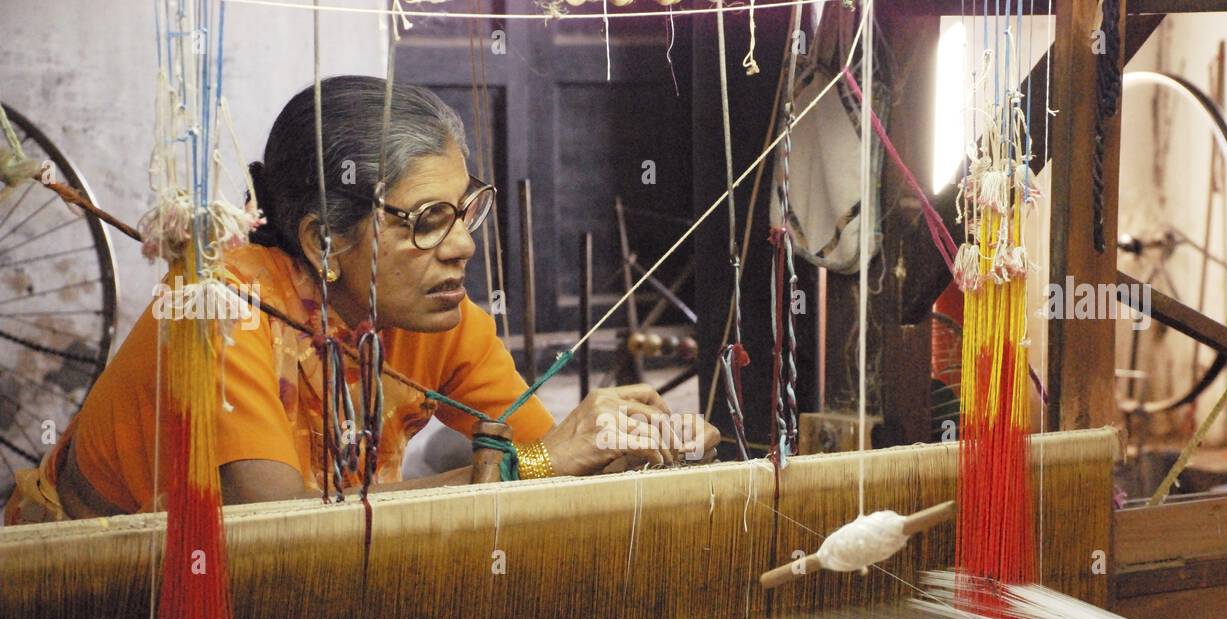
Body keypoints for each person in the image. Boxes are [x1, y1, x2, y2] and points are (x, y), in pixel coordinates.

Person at [4, 77, 717, 524]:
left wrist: (635, 451)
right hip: (96, 593)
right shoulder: (216, 307)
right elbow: (280, 530)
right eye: (427, 220)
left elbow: (545, 459)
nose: (463, 246)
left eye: (466, 212)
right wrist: (542, 464)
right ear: (323, 240)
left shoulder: (437, 317)